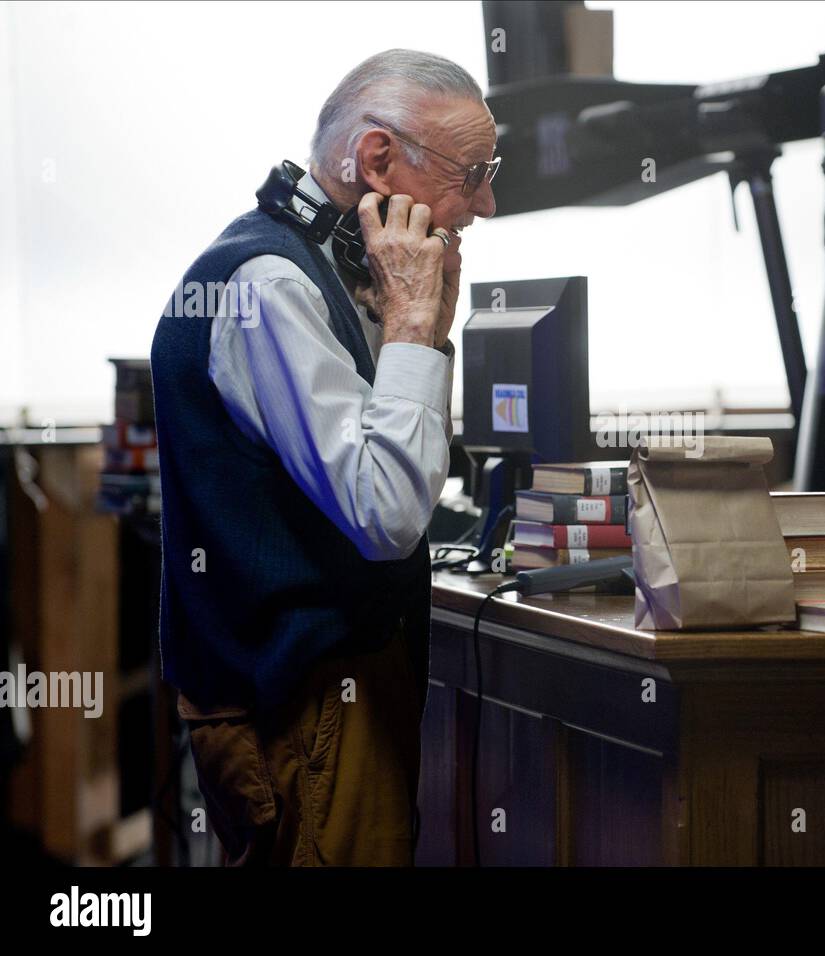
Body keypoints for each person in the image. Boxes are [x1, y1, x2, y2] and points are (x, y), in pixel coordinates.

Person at [150, 49, 498, 865]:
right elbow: (385, 517)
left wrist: (419, 327)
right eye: (473, 171)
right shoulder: (270, 287)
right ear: (378, 158)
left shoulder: (326, 272)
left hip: (325, 694)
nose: (486, 202)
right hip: (302, 704)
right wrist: (414, 333)